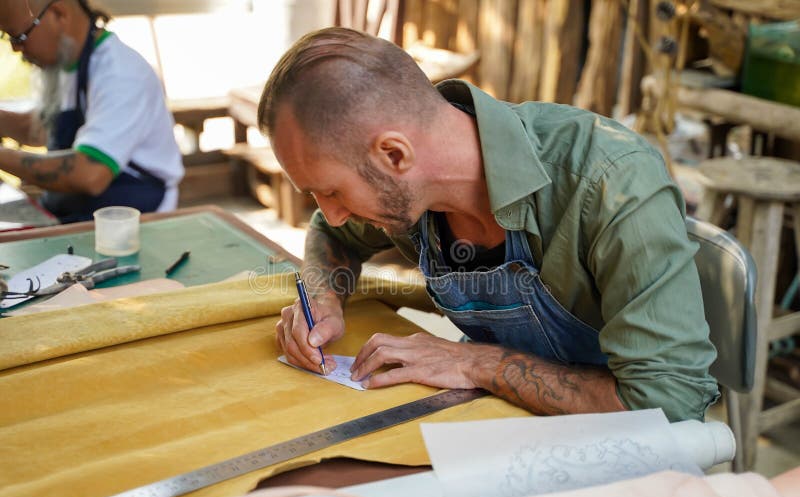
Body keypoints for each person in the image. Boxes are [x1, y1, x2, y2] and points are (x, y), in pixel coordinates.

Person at [263, 27, 719, 422]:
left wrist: (475, 364)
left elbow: (667, 402)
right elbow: (332, 231)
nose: (333, 209)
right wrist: (322, 295)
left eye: (333, 190)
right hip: (497, 421)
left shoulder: (610, 183)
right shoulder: (410, 187)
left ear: (395, 155)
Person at [0, 0, 183, 223]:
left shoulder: (121, 74)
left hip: (134, 223)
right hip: (79, 213)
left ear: (59, 14)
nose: (16, 49)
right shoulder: (67, 63)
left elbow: (89, 174)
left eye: (19, 36)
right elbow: (43, 129)